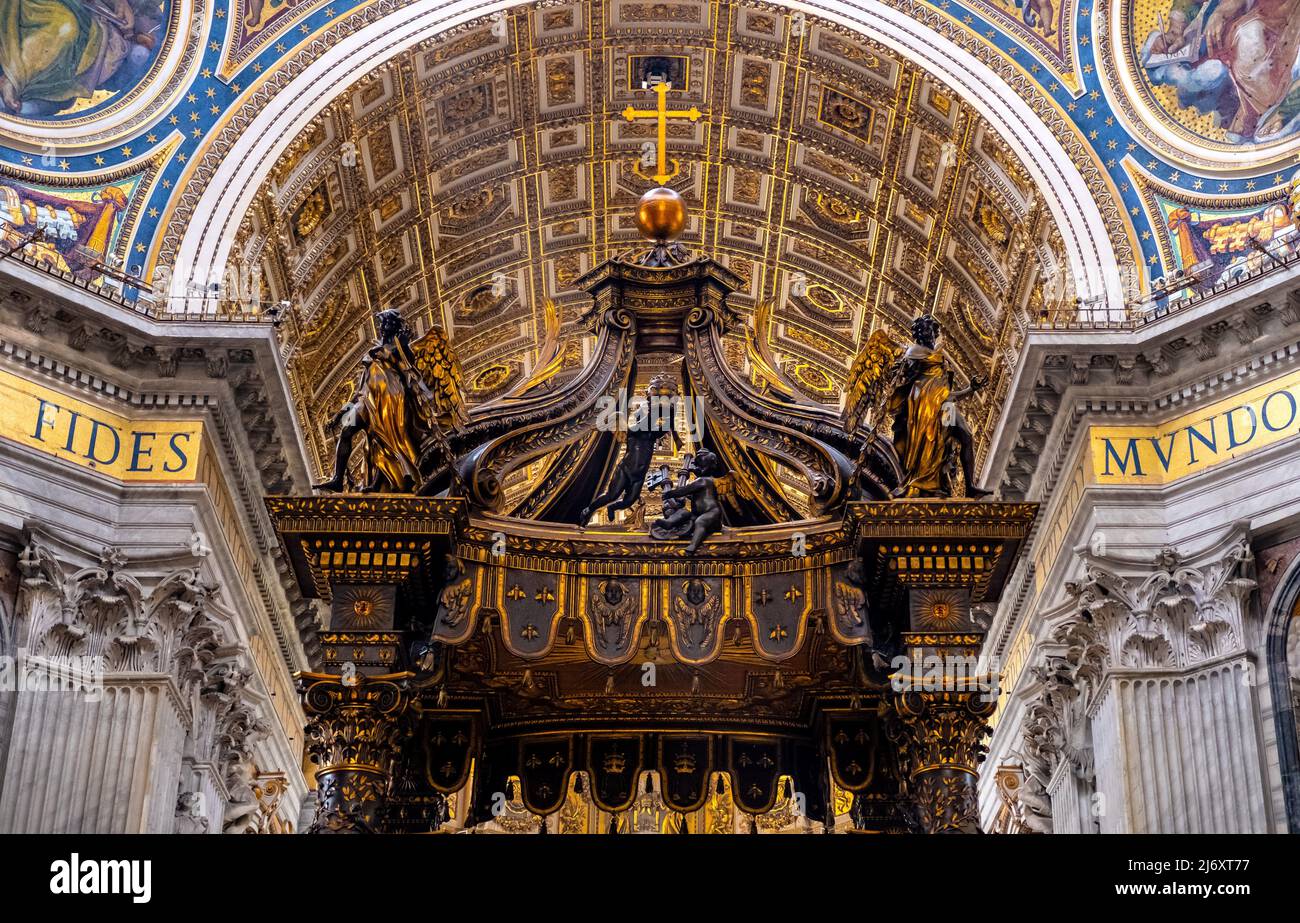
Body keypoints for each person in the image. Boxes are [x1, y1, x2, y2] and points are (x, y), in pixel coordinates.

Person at [887, 315, 991, 499]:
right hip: (925, 404)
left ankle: (970, 486)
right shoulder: (914, 352)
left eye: (933, 331)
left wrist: (970, 389)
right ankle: (921, 481)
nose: (932, 334)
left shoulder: (937, 359)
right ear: (919, 332)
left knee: (964, 436)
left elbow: (947, 394)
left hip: (945, 405)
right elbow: (900, 380)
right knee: (930, 444)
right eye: (928, 330)